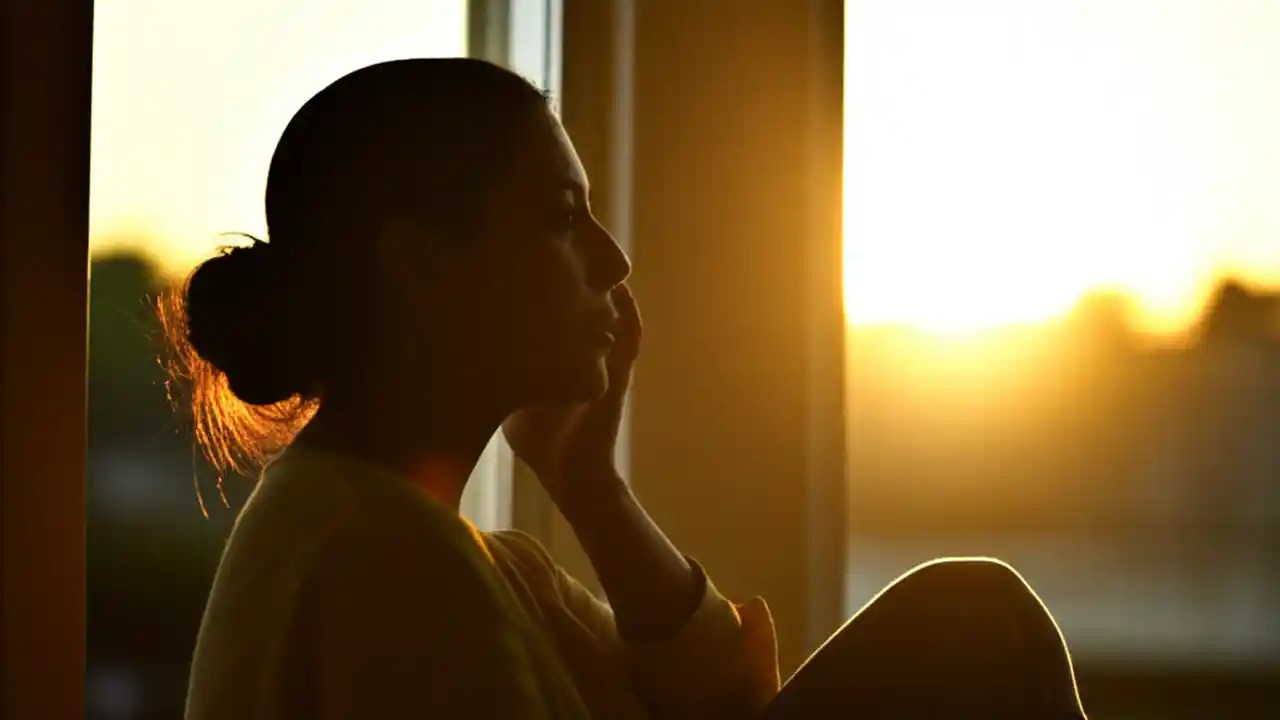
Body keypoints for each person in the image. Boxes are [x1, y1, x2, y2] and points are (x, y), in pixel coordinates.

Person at [168, 58, 1087, 719]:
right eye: (565, 219)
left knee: (973, 618)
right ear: (422, 264)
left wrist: (590, 487)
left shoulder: (462, 554)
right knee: (977, 624)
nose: (614, 260)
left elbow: (731, 700)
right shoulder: (387, 558)